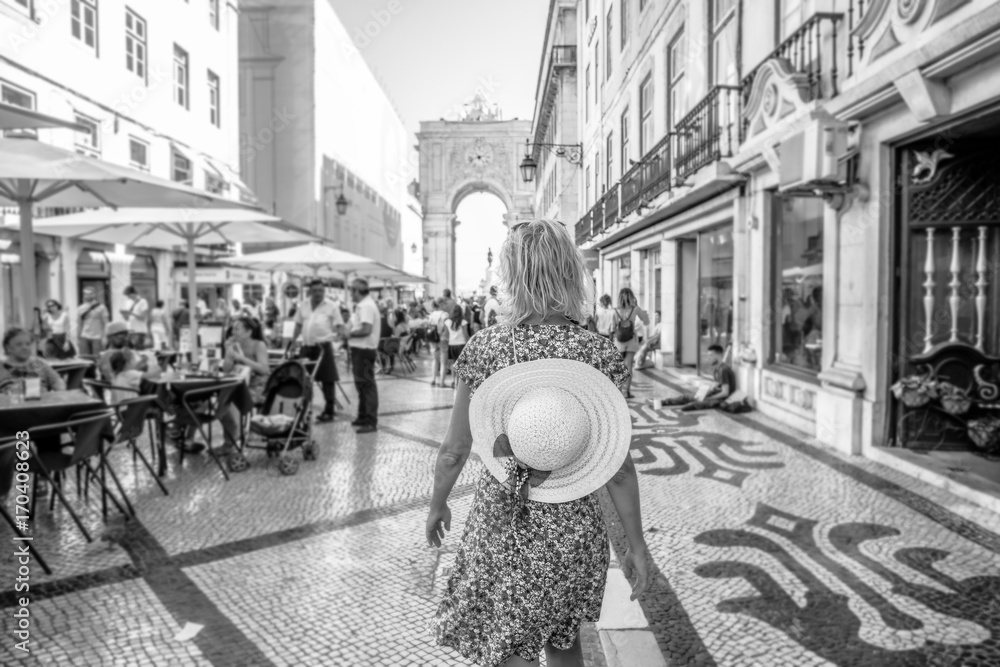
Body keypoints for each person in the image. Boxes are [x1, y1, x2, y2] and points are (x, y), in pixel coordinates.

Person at [426, 218, 650, 667]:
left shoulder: (486, 347)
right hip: (574, 530)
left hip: (504, 524)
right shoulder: (598, 352)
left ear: (513, 277)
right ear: (570, 274)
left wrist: (438, 504)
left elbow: (454, 449)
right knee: (565, 646)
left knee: (511, 648)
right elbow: (619, 466)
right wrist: (636, 546)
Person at [293, 278, 344, 423]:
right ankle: (304, 410)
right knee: (303, 379)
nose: (318, 293)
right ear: (310, 291)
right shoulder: (303, 305)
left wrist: (339, 338)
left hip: (323, 347)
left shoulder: (331, 306)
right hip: (306, 346)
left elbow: (339, 325)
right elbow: (297, 324)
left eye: (321, 290)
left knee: (328, 379)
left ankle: (329, 411)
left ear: (324, 291)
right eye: (315, 290)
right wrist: (292, 342)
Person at [651, 344, 736, 411]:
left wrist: (709, 398)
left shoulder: (723, 370)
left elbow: (725, 393)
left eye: (711, 355)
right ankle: (663, 402)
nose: (709, 358)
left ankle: (673, 405)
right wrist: (706, 392)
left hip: (721, 399)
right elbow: (717, 384)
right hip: (714, 394)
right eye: (708, 355)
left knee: (691, 405)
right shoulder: (718, 368)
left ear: (719, 355)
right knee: (687, 397)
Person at [347, 278, 380, 433]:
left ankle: (370, 421)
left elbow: (366, 329)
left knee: (366, 385)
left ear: (357, 291)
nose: (350, 294)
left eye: (351, 290)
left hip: (364, 350)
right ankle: (362, 416)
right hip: (360, 350)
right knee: (361, 385)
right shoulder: (363, 305)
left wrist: (348, 334)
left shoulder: (366, 306)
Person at [222, 316, 270, 406]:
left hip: (257, 387)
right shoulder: (235, 345)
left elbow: (264, 369)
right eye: (233, 329)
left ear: (248, 332)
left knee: (230, 399)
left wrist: (240, 357)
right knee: (221, 395)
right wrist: (228, 352)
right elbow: (226, 370)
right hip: (239, 385)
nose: (232, 332)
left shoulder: (259, 345)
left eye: (236, 329)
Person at [0, 328, 65, 393]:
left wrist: (59, 390)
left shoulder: (40, 364)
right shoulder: (1, 367)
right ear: (8, 347)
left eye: (28, 344)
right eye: (19, 344)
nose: (25, 347)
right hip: (11, 401)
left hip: (40, 401)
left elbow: (57, 382)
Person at [612, 288, 649, 400]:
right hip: (631, 340)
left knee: (619, 367)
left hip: (619, 341)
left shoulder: (615, 310)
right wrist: (638, 309)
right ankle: (626, 392)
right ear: (631, 297)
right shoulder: (635, 309)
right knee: (628, 366)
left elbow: (613, 327)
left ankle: (618, 392)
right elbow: (647, 321)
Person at [440, 304, 469, 388]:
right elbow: (466, 335)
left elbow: (446, 334)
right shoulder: (463, 322)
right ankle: (458, 383)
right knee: (461, 366)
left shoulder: (448, 322)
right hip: (461, 345)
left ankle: (453, 380)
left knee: (454, 364)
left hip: (451, 345)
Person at [77, 287, 109, 356]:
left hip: (97, 337)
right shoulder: (80, 308)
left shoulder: (102, 307)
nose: (88, 296)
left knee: (97, 359)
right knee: (84, 359)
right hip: (84, 336)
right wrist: (78, 338)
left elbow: (106, 323)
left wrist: (105, 337)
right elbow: (79, 324)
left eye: (90, 294)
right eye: (85, 294)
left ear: (94, 295)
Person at [120, 286, 150, 350]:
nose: (128, 297)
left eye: (128, 295)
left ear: (133, 293)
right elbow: (127, 319)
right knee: (128, 351)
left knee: (138, 351)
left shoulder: (142, 301)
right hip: (130, 330)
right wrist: (123, 314)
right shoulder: (128, 302)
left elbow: (143, 317)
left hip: (139, 330)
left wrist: (131, 313)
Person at [428, 299, 448, 386]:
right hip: (442, 338)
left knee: (435, 360)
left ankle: (433, 379)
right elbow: (446, 326)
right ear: (441, 304)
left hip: (433, 338)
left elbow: (429, 325)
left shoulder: (432, 314)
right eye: (444, 304)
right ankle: (442, 382)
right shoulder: (444, 314)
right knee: (443, 361)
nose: (445, 306)